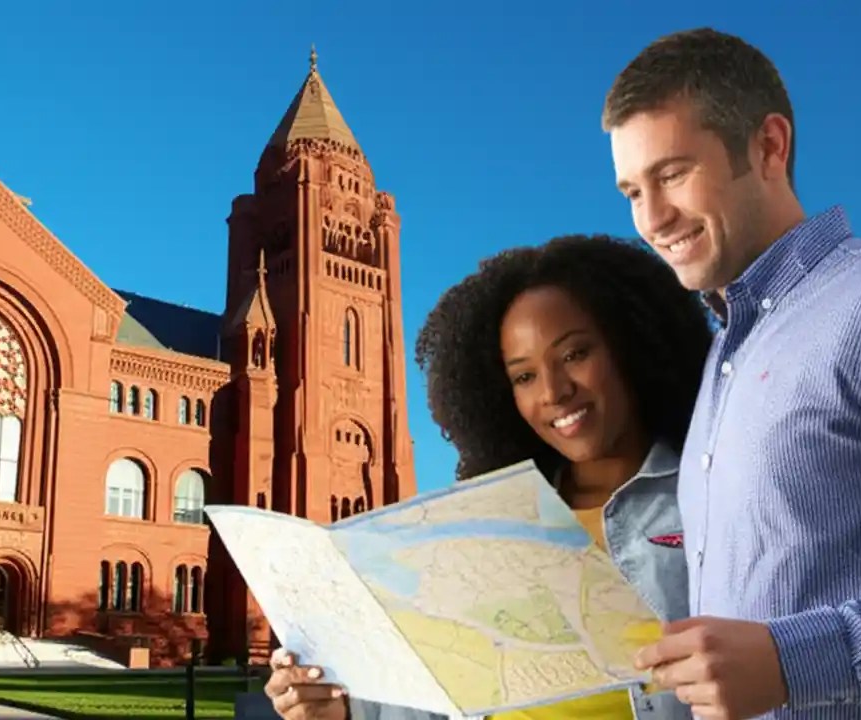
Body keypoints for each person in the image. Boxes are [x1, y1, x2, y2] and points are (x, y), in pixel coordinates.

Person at [603, 27, 861, 720]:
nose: (653, 218)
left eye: (672, 175)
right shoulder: (722, 362)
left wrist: (798, 660)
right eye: (632, 191)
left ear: (768, 146)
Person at [263, 234, 713, 720]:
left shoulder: (712, 496)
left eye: (575, 354)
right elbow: (450, 684)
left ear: (632, 342)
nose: (554, 392)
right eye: (524, 376)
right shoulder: (498, 522)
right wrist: (339, 706)